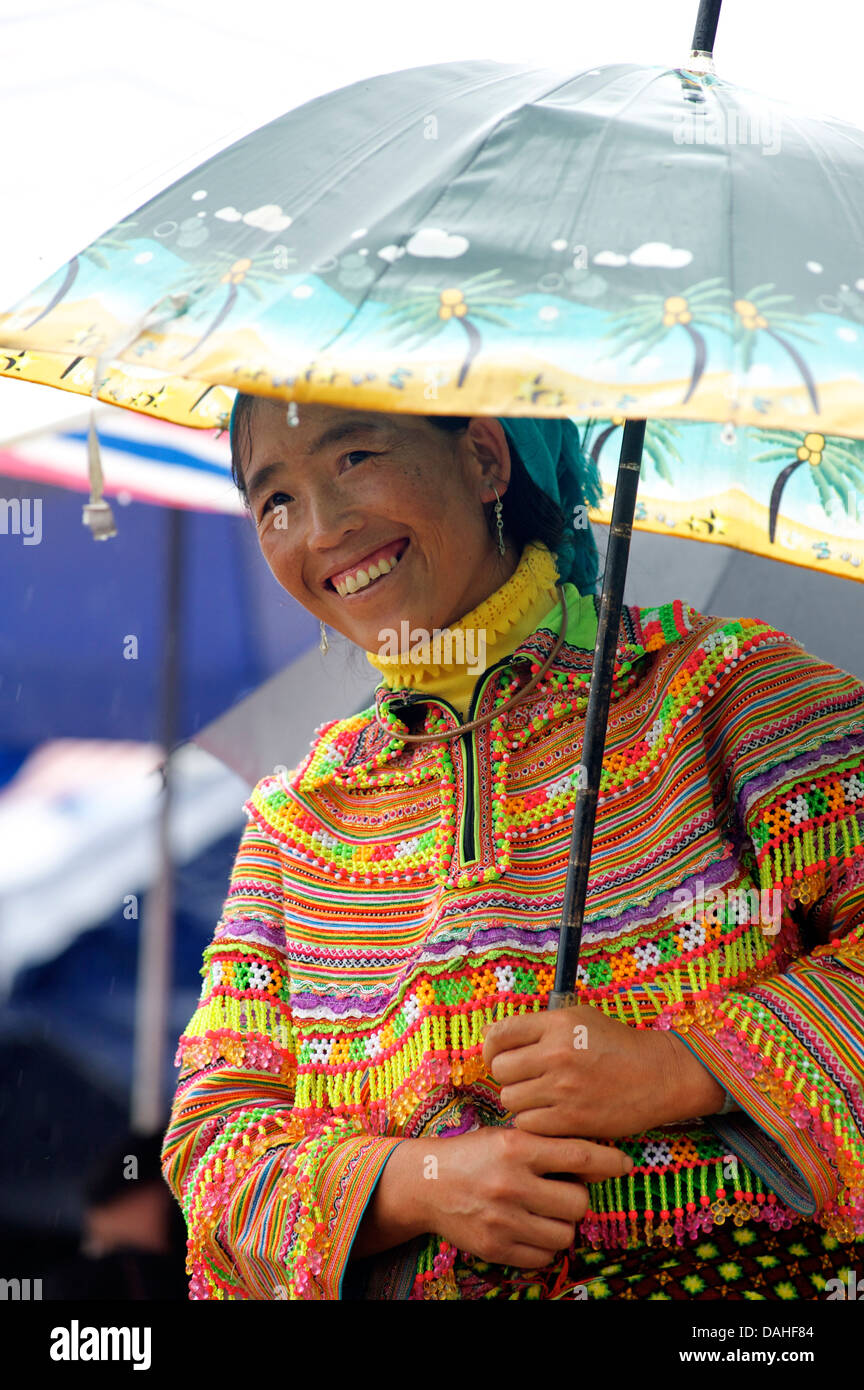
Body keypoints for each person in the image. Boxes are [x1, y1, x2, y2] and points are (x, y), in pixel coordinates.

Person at [161, 397, 864, 1300]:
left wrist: (682, 1069)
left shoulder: (718, 695)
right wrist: (416, 1184)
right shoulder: (300, 823)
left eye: (355, 457)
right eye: (276, 501)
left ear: (486, 459)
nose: (325, 528)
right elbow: (213, 1149)